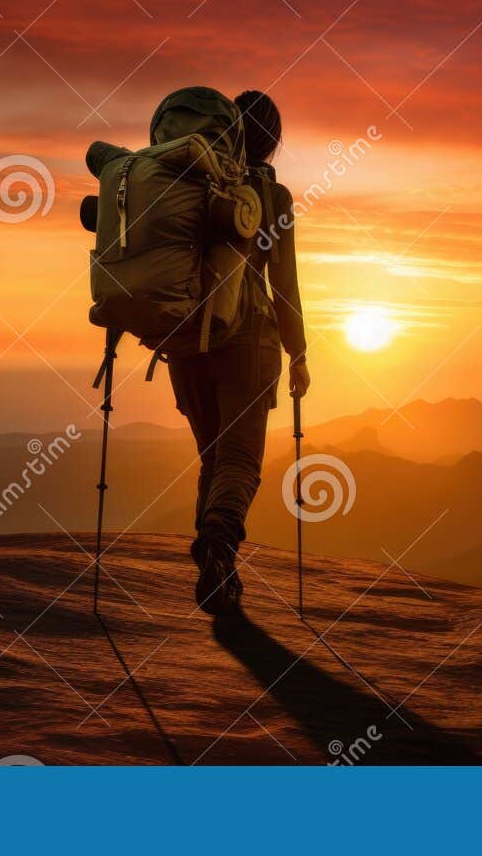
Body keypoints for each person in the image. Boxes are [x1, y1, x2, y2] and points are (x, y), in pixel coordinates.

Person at [162, 88, 309, 615]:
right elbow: (284, 285)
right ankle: (218, 549)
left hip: (185, 342)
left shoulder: (185, 185)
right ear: (271, 143)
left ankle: (217, 564)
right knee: (240, 461)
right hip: (248, 339)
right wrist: (298, 353)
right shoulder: (274, 197)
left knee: (214, 458)